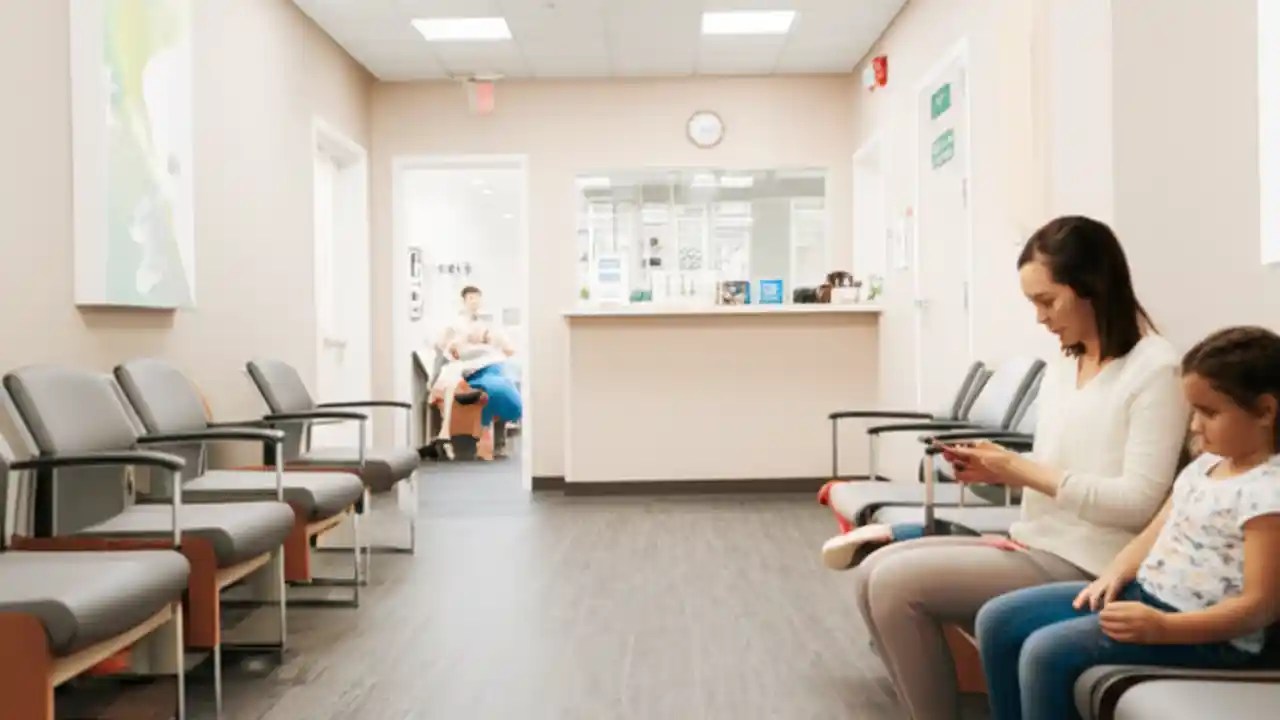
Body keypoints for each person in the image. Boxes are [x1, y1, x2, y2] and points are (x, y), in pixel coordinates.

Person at [846, 216, 1191, 720]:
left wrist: (1022, 471)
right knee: (871, 571)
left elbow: (1137, 504)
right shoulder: (1066, 364)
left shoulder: (1156, 369)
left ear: (1092, 286)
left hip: (1093, 562)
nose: (1039, 318)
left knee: (897, 585)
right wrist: (1000, 469)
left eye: (1047, 301)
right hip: (1038, 540)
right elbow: (1063, 468)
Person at [974, 326, 1280, 720]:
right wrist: (1115, 572)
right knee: (999, 619)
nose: (1194, 427)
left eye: (1209, 413)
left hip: (1211, 636)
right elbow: (1156, 532)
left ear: (1266, 411)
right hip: (1147, 596)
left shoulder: (1267, 493)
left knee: (1046, 653)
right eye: (1193, 412)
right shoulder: (1207, 466)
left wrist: (1163, 629)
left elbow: (1261, 606)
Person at [434, 286, 522, 458]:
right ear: (464, 301)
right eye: (471, 298)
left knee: (503, 386)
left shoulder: (488, 325)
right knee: (493, 390)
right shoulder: (455, 324)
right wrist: (462, 340)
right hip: (469, 367)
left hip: (492, 363)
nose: (475, 302)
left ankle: (498, 442)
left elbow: (509, 348)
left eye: (477, 298)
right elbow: (444, 346)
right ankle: (478, 442)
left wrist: (488, 338)